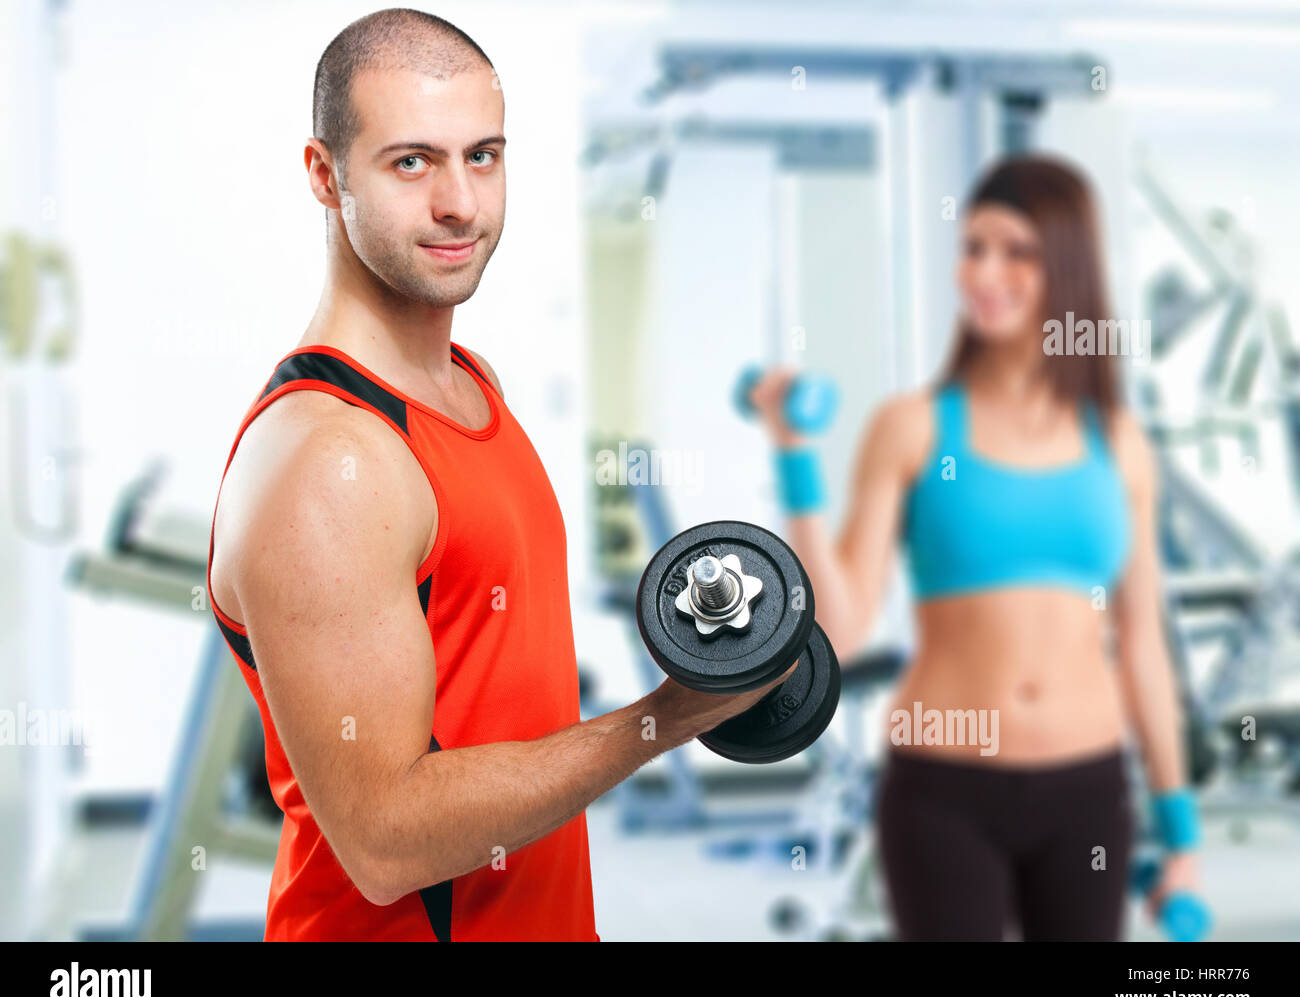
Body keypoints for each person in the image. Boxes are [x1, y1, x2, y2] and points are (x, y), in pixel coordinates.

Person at [206, 8, 785, 942]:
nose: (461, 204)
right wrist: (664, 718)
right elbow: (385, 842)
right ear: (324, 174)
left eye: (482, 156)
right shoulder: (333, 460)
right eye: (411, 162)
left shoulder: (472, 387)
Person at [746, 155, 1204, 941]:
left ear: (1067, 269)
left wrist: (1181, 832)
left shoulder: (1120, 444)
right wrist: (795, 457)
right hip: (943, 790)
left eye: (1017, 252)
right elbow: (840, 630)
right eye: (974, 248)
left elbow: (1144, 646)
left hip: (1088, 790)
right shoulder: (913, 427)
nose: (986, 273)